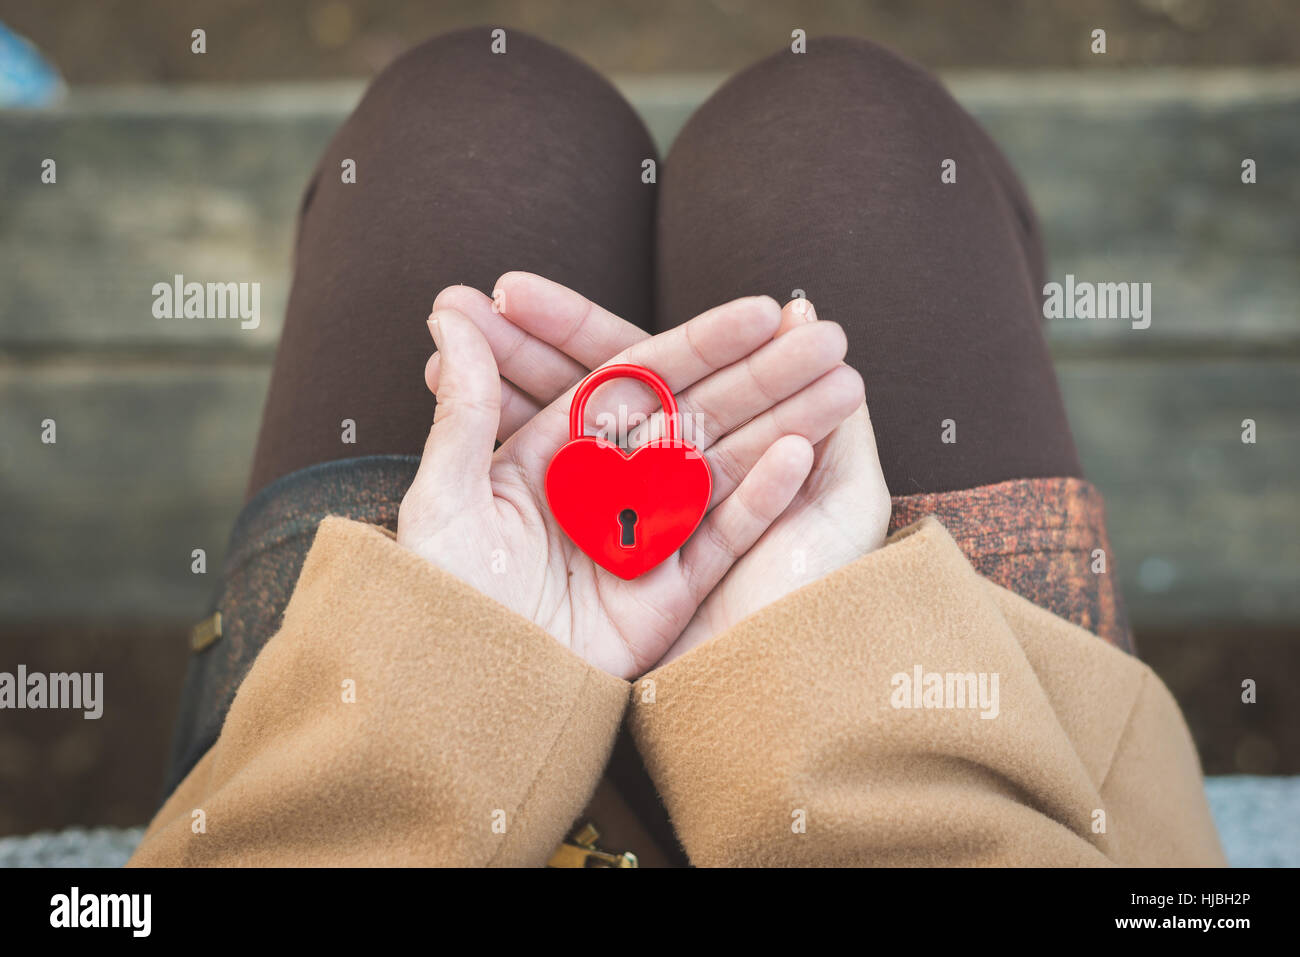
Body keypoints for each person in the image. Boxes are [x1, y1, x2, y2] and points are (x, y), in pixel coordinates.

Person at [130, 30, 1224, 867]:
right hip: (965, 791)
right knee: (839, 127)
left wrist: (443, 684)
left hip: (370, 779)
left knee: (474, 108)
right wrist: (821, 689)